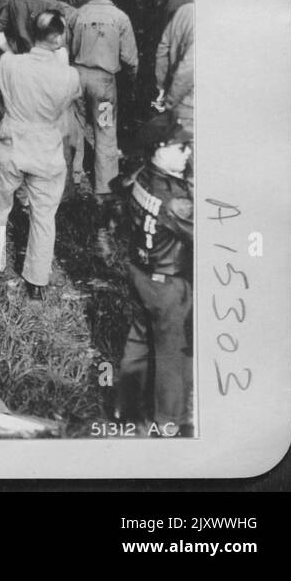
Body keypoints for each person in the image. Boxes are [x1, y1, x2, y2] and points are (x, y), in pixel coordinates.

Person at [0, 10, 81, 299]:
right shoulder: (69, 76)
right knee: (44, 215)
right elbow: (65, 107)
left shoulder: (8, 63)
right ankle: (36, 280)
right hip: (46, 147)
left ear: (32, 34)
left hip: (10, 141)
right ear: (58, 37)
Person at [113, 125, 193, 436]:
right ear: (159, 149)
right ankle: (167, 424)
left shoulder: (140, 178)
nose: (187, 153)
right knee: (171, 355)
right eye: (180, 147)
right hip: (167, 283)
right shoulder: (177, 202)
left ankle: (126, 410)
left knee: (138, 340)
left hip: (138, 271)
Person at [67, 0, 138, 211]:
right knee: (106, 131)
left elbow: (67, 48)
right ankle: (105, 185)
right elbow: (130, 58)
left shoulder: (77, 15)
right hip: (105, 84)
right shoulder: (121, 18)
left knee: (74, 125)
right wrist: (131, 79)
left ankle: (73, 174)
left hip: (77, 77)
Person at [155, 0, 194, 131]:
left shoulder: (184, 11)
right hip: (189, 102)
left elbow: (163, 49)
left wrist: (161, 87)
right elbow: (188, 70)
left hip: (179, 97)